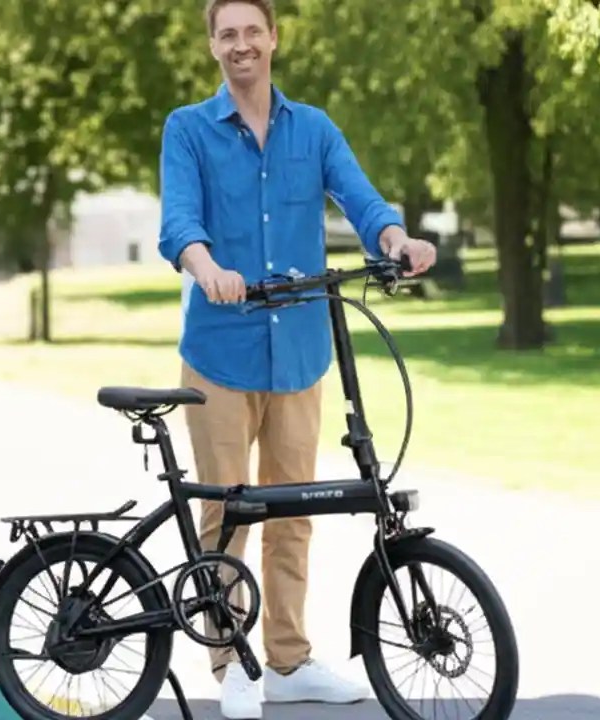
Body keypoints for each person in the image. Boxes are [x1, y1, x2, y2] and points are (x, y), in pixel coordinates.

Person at [156, 1, 438, 718]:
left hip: (302, 352)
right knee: (227, 515)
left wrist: (397, 242)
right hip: (220, 354)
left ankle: (288, 660)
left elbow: (363, 200)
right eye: (229, 34)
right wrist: (205, 264)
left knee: (295, 514)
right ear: (213, 46)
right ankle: (234, 663)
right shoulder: (187, 129)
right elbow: (178, 221)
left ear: (274, 39)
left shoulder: (312, 129)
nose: (242, 44)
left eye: (254, 31)